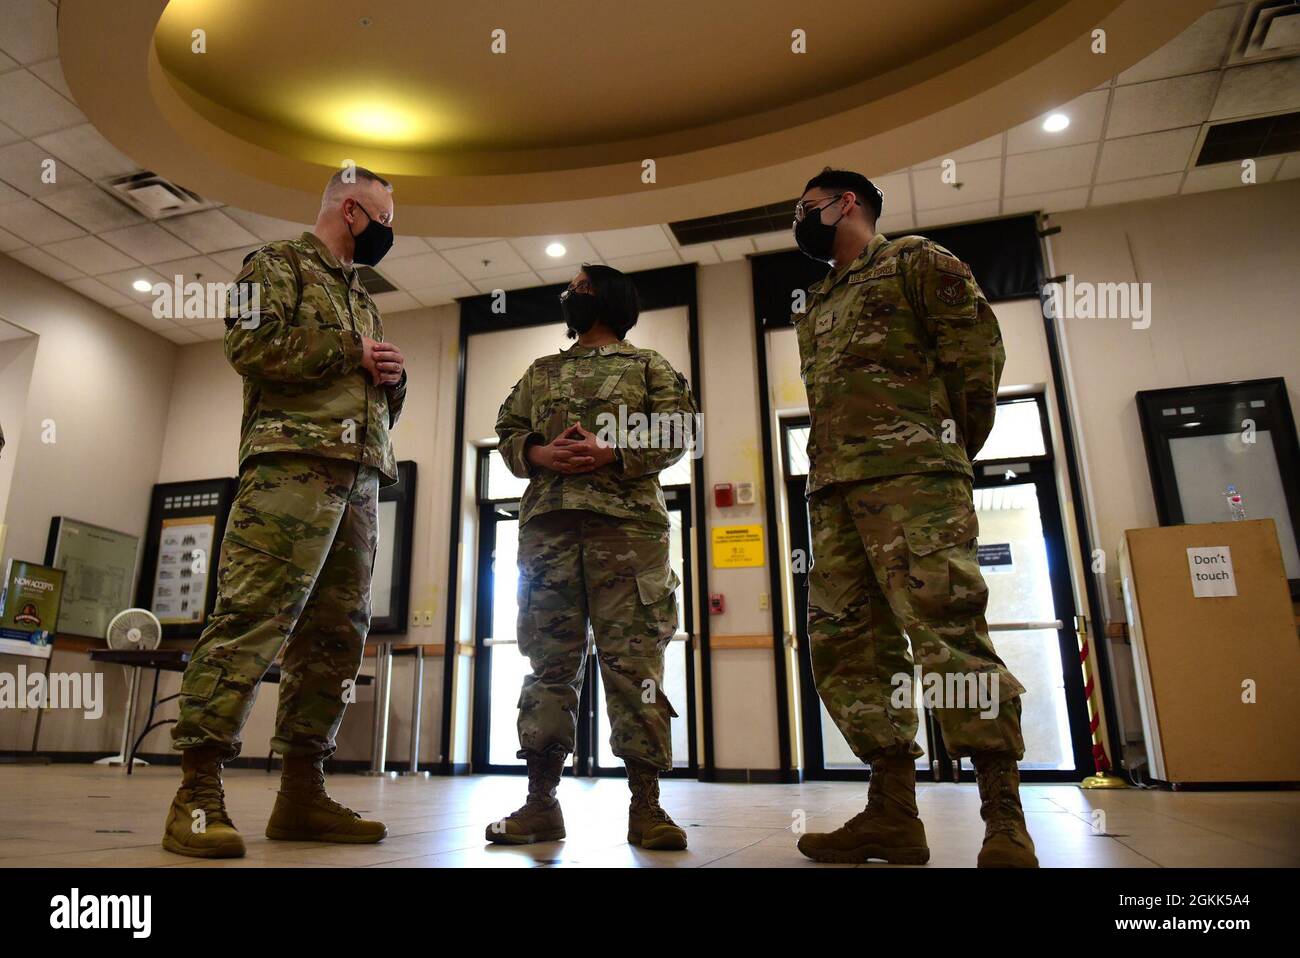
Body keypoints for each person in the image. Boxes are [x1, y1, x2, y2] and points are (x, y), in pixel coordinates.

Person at [790, 168, 1037, 868]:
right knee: (848, 648)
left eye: (807, 208)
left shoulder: (916, 262)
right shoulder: (814, 302)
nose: (799, 220)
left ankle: (1004, 818)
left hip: (916, 484)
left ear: (848, 205)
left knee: (947, 630)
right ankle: (893, 814)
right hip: (835, 493)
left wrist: (941, 450)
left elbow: (975, 361)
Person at [162, 166, 407, 858]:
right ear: (353, 210)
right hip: (288, 470)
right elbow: (249, 344)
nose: (391, 234)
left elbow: (368, 396)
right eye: (386, 219)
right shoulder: (274, 265)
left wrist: (391, 376)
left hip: (359, 479)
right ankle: (197, 793)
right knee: (252, 618)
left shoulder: (362, 297)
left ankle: (302, 791)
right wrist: (348, 351)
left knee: (336, 636)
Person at [489, 264, 698, 850]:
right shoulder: (541, 371)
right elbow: (507, 429)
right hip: (548, 534)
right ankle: (539, 803)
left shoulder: (649, 365)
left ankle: (647, 806)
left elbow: (681, 431)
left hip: (628, 536)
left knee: (635, 668)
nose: (570, 294)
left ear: (606, 297)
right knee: (548, 666)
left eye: (581, 286)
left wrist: (615, 451)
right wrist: (536, 451)